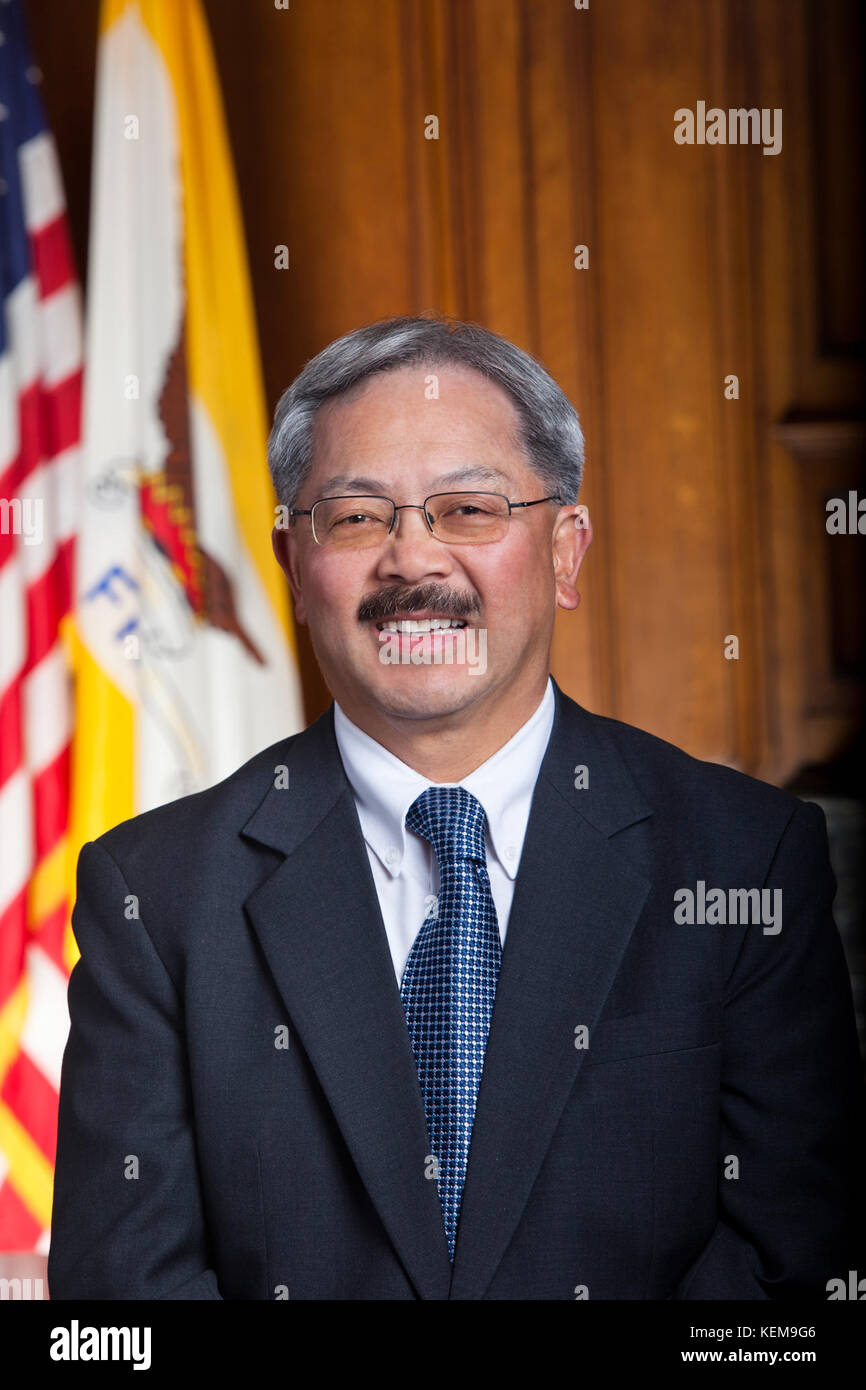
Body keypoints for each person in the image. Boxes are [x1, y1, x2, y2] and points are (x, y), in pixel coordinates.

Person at [49, 314, 864, 1299]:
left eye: (468, 509)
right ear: (291, 563)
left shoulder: (744, 860)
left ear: (565, 550)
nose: (412, 562)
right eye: (355, 516)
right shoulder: (157, 893)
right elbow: (118, 1309)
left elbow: (793, 1278)